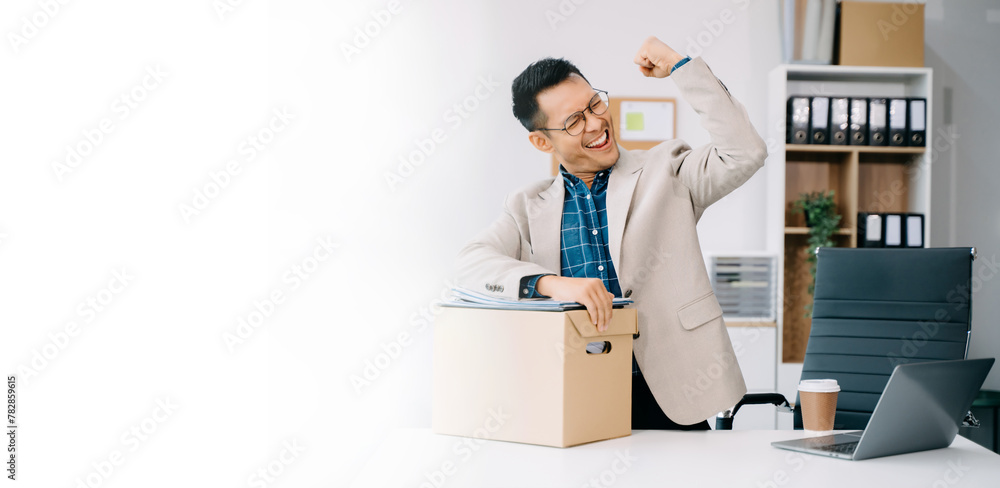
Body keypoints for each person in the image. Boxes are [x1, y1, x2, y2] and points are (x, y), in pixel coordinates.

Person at [454, 36, 767, 429]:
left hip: (675, 393)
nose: (597, 123)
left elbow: (745, 151)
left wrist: (680, 66)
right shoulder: (526, 207)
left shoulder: (667, 169)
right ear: (541, 141)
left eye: (595, 104)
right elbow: (469, 265)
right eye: (574, 121)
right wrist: (552, 283)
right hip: (577, 393)